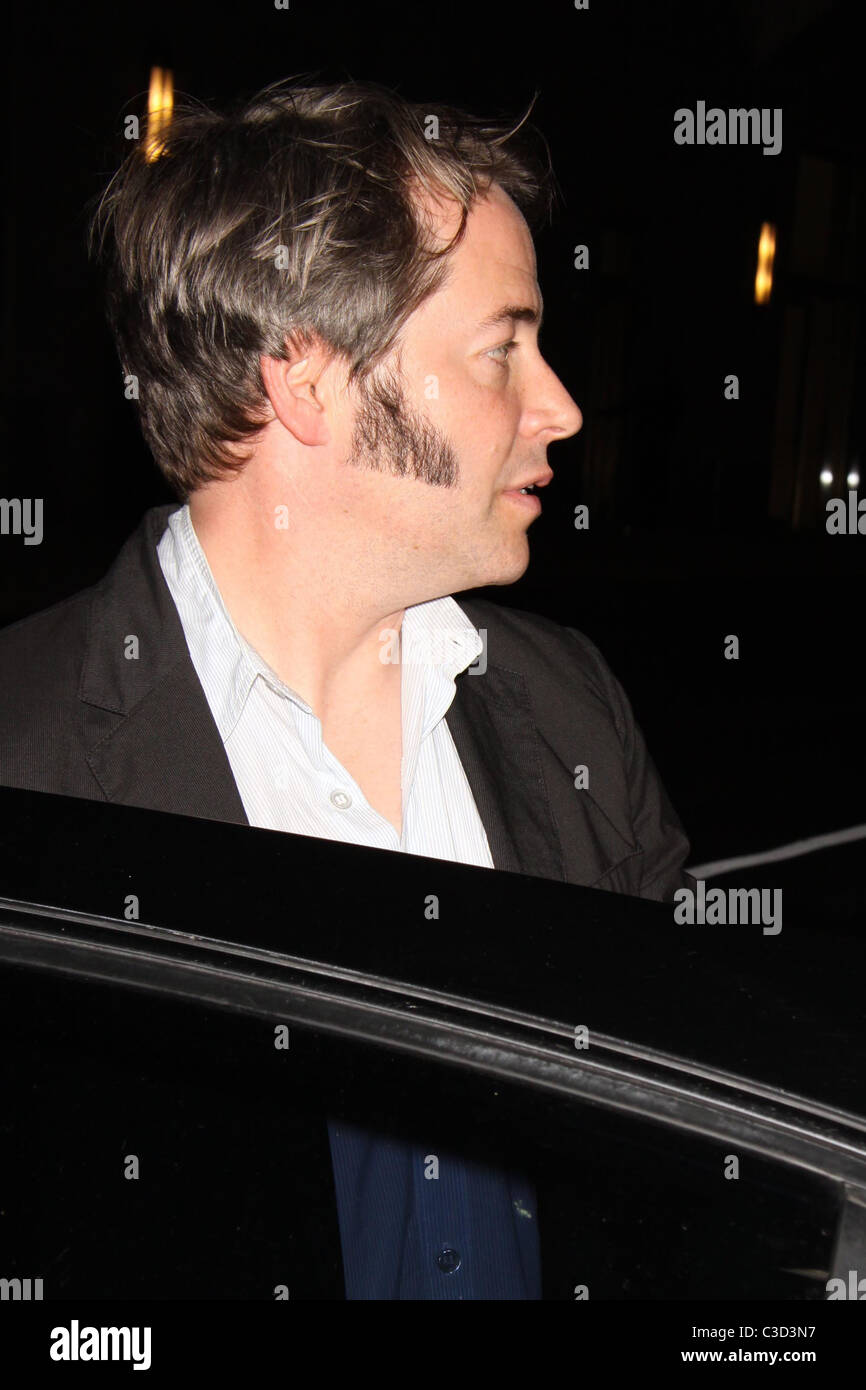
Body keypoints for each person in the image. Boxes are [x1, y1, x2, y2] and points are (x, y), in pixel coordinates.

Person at [0, 77, 694, 1298]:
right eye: (502, 349)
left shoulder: (568, 706)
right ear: (306, 378)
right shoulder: (24, 750)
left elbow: (690, 1167)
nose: (562, 407)